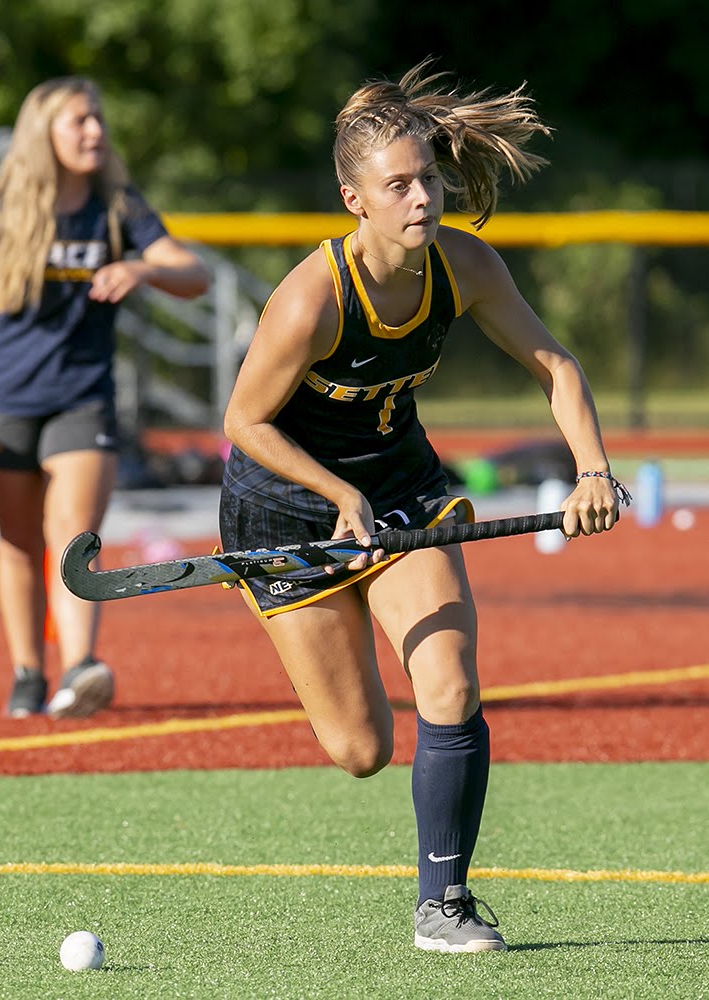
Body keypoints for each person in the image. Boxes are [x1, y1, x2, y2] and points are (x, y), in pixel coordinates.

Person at [219, 62, 625, 953]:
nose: (421, 198)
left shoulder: (465, 266)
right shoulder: (313, 298)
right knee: (360, 749)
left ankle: (443, 905)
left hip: (402, 497)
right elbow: (243, 420)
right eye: (397, 185)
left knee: (450, 685)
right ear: (353, 199)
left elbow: (554, 366)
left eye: (428, 179)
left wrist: (594, 470)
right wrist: (335, 493)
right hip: (288, 514)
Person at [0, 77, 210, 719]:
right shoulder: (4, 204)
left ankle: (82, 667)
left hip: (81, 397)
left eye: (97, 119)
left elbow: (193, 274)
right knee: (17, 543)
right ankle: (28, 675)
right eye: (78, 122)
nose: (94, 131)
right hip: (5, 396)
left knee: (73, 533)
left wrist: (144, 268)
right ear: (45, 134)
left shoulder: (118, 205)